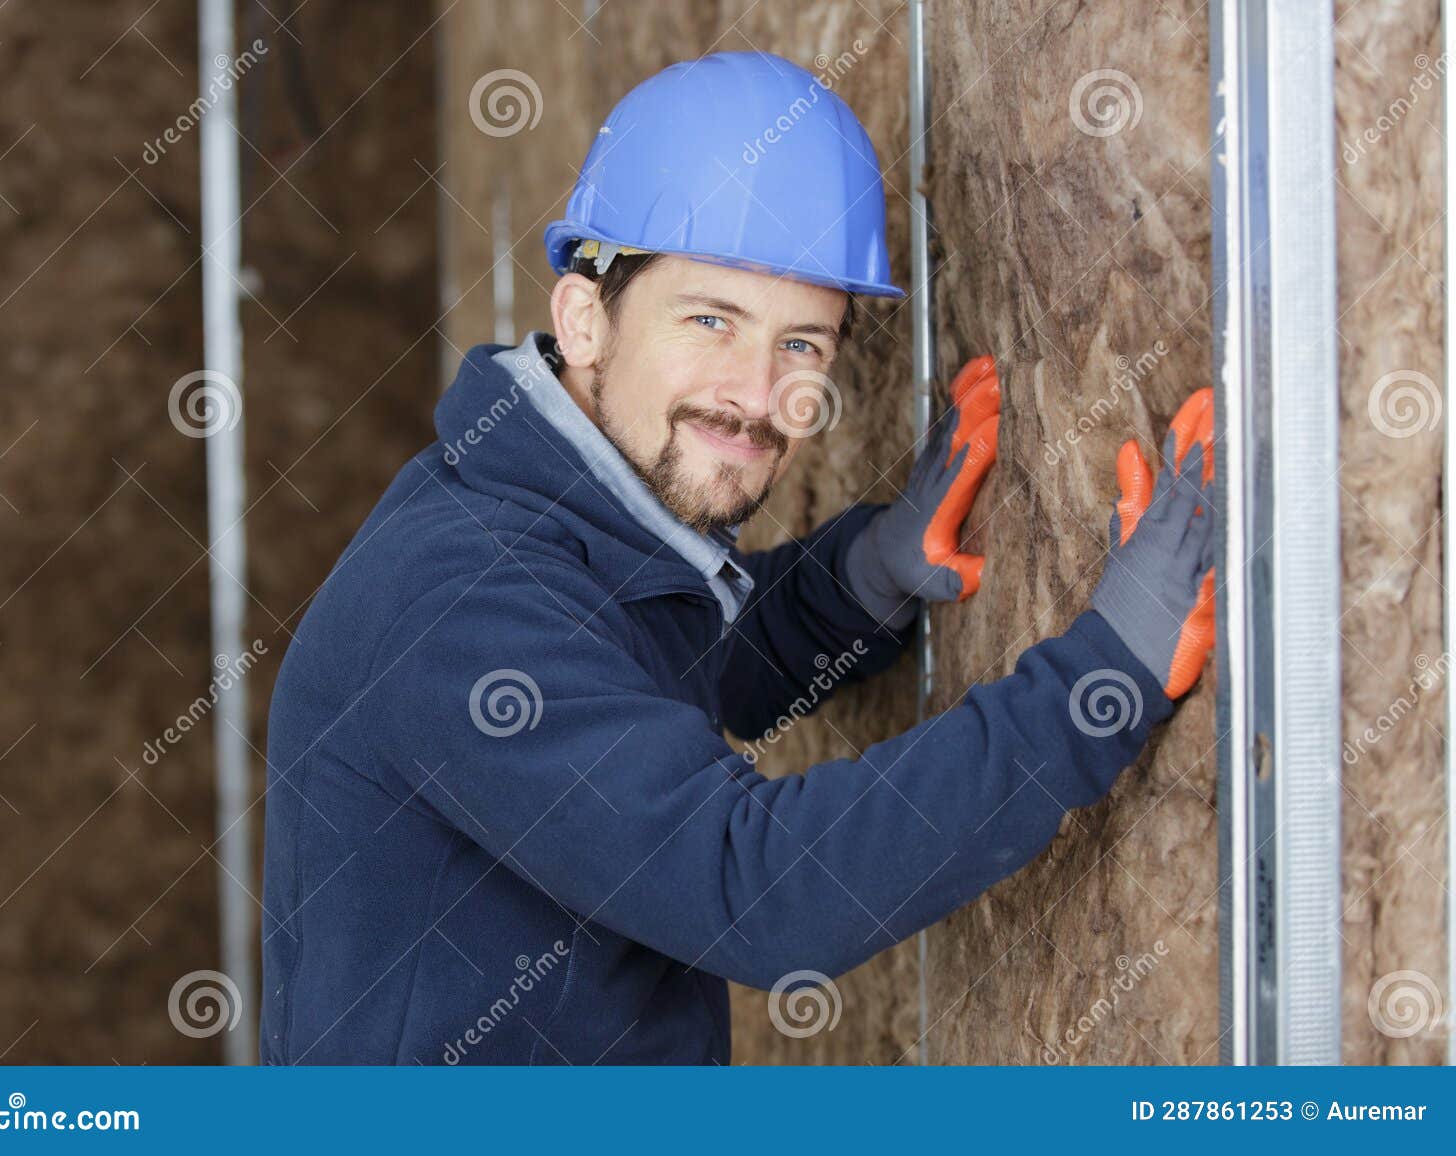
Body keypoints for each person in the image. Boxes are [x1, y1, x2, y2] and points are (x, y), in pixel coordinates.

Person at [259, 51, 1215, 1065]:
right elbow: (758, 891)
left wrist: (853, 583)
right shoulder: (458, 598)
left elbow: (634, 691)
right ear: (584, 318)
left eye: (802, 344)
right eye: (710, 320)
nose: (758, 393)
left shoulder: (544, 519)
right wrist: (1102, 676)